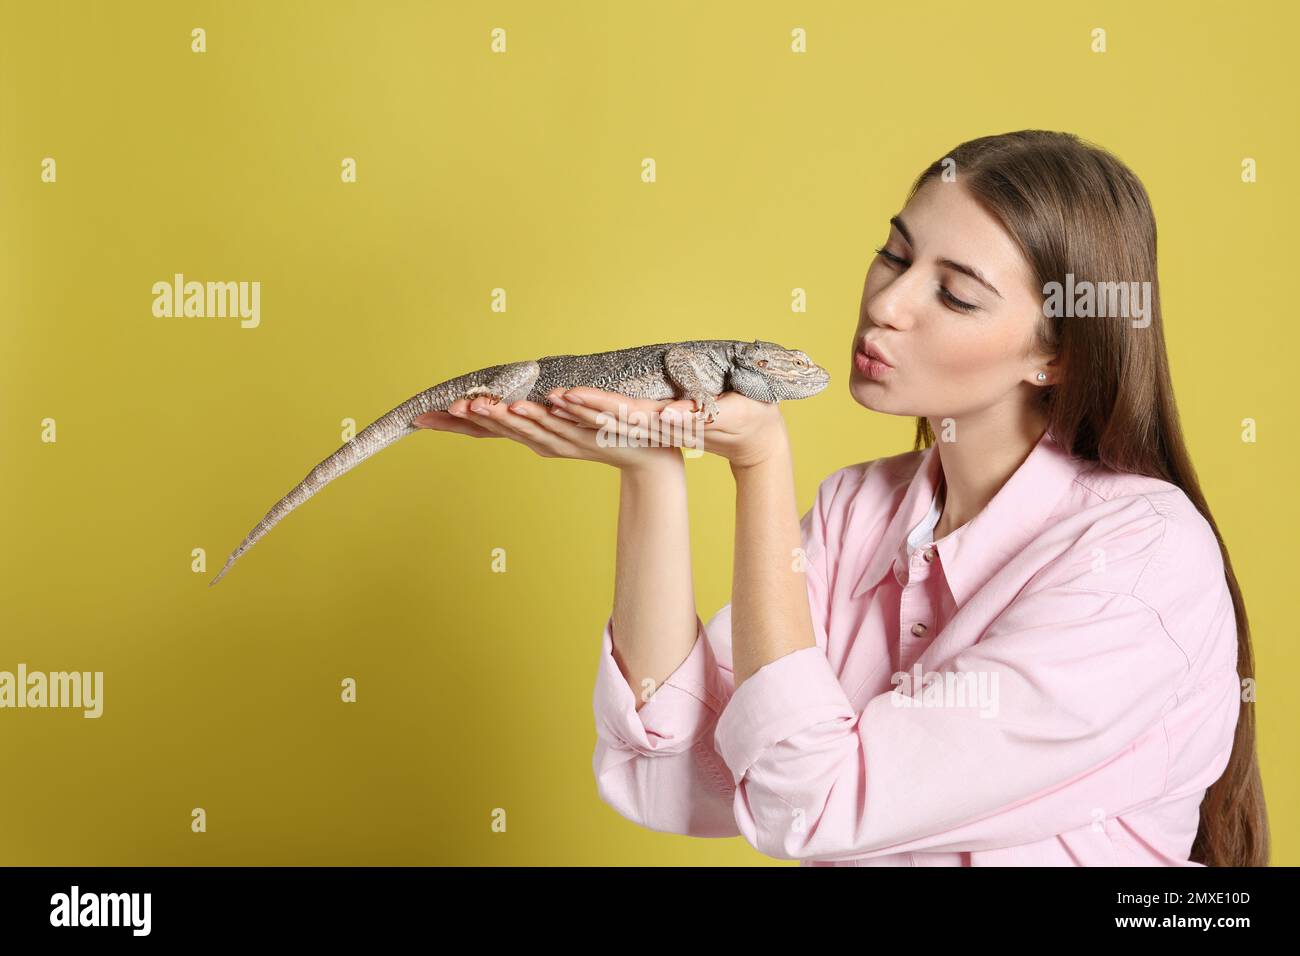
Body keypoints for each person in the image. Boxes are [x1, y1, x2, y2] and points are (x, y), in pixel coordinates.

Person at [411, 130, 1268, 867]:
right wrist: (651, 464)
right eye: (895, 254)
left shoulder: (1140, 565)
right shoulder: (862, 512)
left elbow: (810, 801)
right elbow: (674, 774)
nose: (886, 304)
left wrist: (759, 464)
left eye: (956, 293)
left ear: (1057, 357)